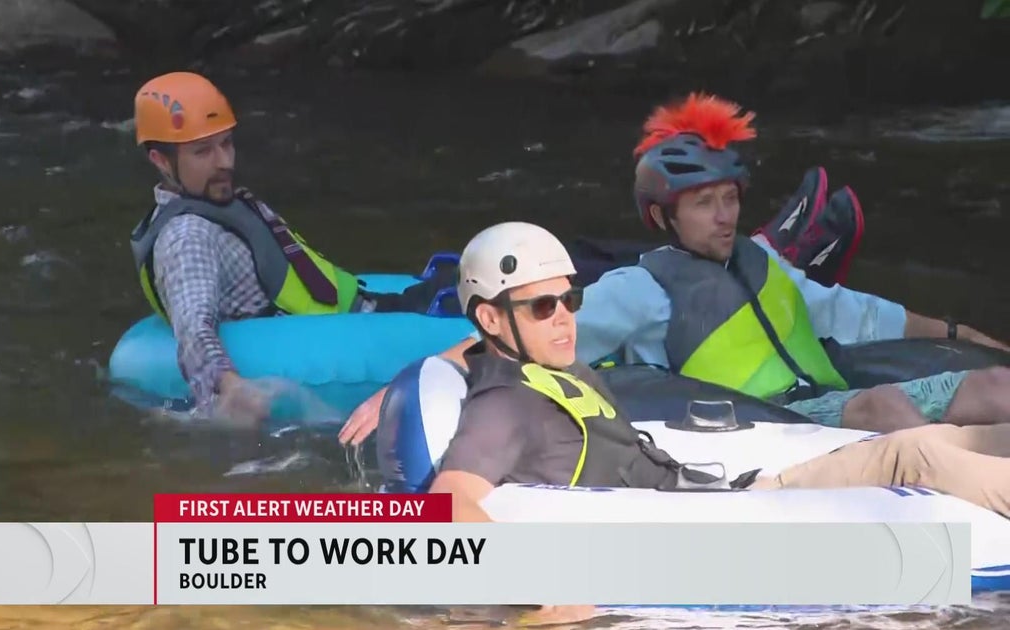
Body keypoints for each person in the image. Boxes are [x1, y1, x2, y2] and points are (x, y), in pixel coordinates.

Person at [426, 221, 1010, 625]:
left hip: (718, 489)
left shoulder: (550, 369)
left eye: (570, 301)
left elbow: (476, 357)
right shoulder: (505, 405)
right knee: (918, 456)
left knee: (928, 439)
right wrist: (539, 581)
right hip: (734, 513)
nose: (565, 320)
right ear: (490, 318)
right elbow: (450, 499)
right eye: (541, 306)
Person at [340, 93, 1009, 443]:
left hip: (830, 394)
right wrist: (407, 387)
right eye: (704, 205)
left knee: (993, 388)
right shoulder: (642, 289)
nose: (724, 216)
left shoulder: (764, 264)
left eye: (729, 200)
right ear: (663, 217)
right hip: (773, 425)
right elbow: (521, 340)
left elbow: (866, 315)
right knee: (885, 402)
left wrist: (959, 333)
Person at [127, 71, 458, 422]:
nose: (224, 161)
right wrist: (229, 386)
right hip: (336, 331)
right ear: (161, 160)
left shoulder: (208, 201)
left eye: (226, 143)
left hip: (350, 313)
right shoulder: (186, 239)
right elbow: (194, 326)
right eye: (203, 151)